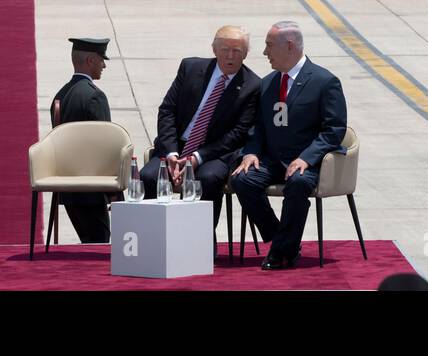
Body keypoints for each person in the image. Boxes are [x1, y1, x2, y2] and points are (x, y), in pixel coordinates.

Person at [230, 22, 347, 270]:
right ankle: (281, 237)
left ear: (290, 46)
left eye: (269, 46)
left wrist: (306, 157)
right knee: (242, 180)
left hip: (309, 162)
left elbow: (334, 129)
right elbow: (258, 126)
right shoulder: (269, 83)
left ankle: (282, 252)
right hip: (273, 160)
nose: (265, 52)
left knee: (299, 183)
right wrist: (250, 152)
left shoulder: (324, 82)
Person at [144, 25, 261, 223]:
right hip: (177, 146)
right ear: (214, 50)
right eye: (225, 50)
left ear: (246, 54)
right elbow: (167, 111)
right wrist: (172, 153)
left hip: (213, 153)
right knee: (148, 176)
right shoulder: (190, 68)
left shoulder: (252, 86)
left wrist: (197, 158)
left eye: (237, 51)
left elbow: (239, 133)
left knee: (208, 179)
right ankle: (152, 236)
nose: (230, 56)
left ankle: (202, 240)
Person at [48, 37, 115, 244]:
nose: (104, 65)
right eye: (101, 60)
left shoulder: (60, 95)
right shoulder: (95, 97)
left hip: (69, 190)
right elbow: (104, 148)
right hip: (91, 190)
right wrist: (113, 191)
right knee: (100, 244)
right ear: (90, 61)